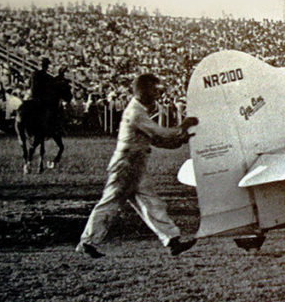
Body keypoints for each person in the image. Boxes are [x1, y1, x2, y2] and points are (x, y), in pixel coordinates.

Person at [76, 73, 199, 258]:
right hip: (127, 165)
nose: (156, 94)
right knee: (113, 203)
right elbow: (160, 134)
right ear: (143, 91)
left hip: (133, 165)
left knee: (151, 203)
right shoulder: (136, 112)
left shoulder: (138, 111)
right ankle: (87, 242)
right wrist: (183, 127)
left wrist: (180, 138)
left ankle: (172, 241)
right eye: (153, 90)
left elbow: (157, 139)